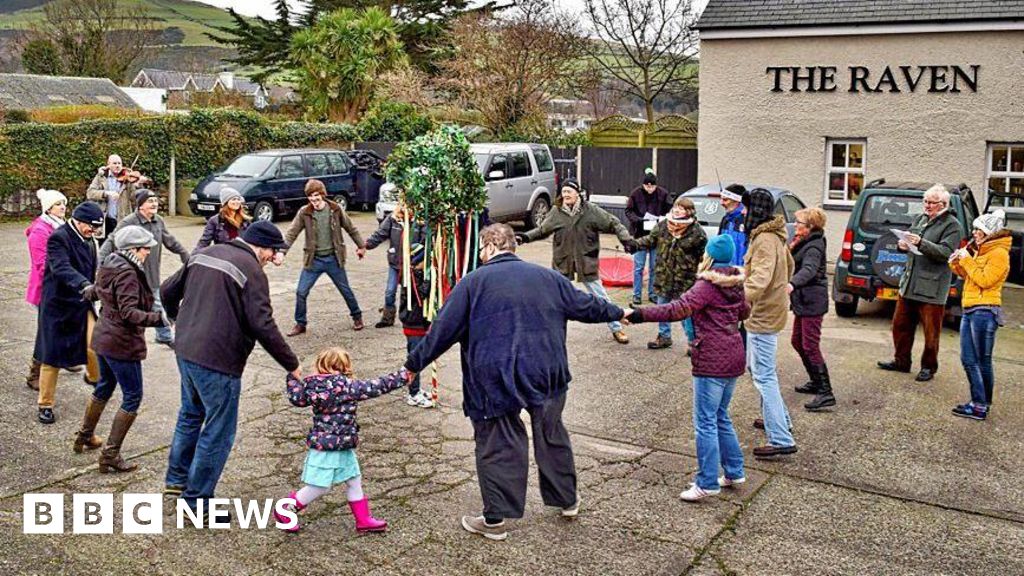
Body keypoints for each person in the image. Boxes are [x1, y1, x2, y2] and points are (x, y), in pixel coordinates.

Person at [405, 224, 627, 541]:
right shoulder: (548, 278)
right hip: (546, 371)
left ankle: (495, 518)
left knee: (498, 443)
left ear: (487, 247)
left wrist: (413, 365)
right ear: (512, 246)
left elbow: (443, 330)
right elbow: (585, 306)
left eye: (481, 250)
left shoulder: (472, 283)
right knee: (551, 435)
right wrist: (621, 311)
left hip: (494, 377)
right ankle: (567, 499)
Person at [160, 220, 301, 516]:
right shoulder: (252, 271)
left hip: (185, 349)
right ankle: (197, 501)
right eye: (271, 252)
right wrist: (292, 364)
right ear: (261, 246)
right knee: (219, 429)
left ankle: (177, 480)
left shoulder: (204, 253)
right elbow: (263, 324)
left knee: (190, 414)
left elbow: (167, 290)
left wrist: (177, 321)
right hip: (218, 360)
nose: (271, 258)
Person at [624, 235, 748, 501]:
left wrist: (638, 314)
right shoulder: (737, 282)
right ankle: (735, 471)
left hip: (712, 360)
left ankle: (706, 482)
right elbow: (744, 313)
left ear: (710, 256)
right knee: (721, 416)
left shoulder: (707, 284)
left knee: (705, 421)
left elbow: (677, 309)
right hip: (734, 355)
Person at [274, 347, 408, 533]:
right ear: (345, 366)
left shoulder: (311, 386)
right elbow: (377, 386)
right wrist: (403, 375)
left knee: (353, 479)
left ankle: (363, 520)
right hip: (333, 446)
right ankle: (285, 509)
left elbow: (296, 398)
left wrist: (292, 376)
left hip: (333, 445)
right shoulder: (347, 386)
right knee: (319, 486)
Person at [74, 226, 170, 472]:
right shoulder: (128, 272)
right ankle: (110, 455)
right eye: (145, 248)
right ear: (132, 249)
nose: (148, 252)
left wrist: (89, 292)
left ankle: (84, 435)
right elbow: (129, 313)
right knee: (133, 396)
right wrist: (159, 318)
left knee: (105, 386)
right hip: (120, 343)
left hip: (103, 338)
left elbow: (97, 291)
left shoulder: (110, 262)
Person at [518, 178, 635, 344]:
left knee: (600, 297)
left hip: (586, 262)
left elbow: (614, 223)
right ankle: (550, 331)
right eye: (563, 191)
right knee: (554, 298)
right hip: (562, 263)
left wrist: (626, 239)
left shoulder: (591, 211)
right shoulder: (556, 212)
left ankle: (616, 327)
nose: (565, 194)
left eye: (569, 191)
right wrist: (525, 237)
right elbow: (542, 230)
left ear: (577, 193)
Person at [877, 184, 962, 382]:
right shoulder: (920, 219)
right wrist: (902, 245)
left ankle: (929, 367)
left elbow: (945, 253)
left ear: (943, 204)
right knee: (900, 325)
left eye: (932, 202)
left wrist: (920, 243)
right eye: (925, 201)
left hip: (932, 287)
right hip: (909, 283)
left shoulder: (952, 225)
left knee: (931, 333)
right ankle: (901, 361)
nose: (928, 205)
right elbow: (910, 241)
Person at [33, 201, 105, 424]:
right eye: (90, 226)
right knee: (51, 357)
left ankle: (95, 380)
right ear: (79, 220)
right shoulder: (59, 238)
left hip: (82, 303)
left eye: (95, 228)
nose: (92, 231)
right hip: (58, 305)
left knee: (94, 344)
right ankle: (45, 405)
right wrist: (84, 285)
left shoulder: (90, 239)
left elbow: (94, 269)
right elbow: (61, 267)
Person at [743, 188, 797, 459]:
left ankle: (780, 437)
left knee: (763, 375)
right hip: (770, 311)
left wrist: (737, 300)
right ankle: (778, 418)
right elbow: (790, 265)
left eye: (746, 207)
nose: (743, 212)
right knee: (759, 370)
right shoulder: (775, 235)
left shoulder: (764, 238)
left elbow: (760, 277)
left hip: (763, 314)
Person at [100, 189, 189, 348]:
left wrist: (184, 255)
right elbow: (112, 240)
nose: (155, 204)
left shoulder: (158, 221)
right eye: (150, 201)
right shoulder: (129, 221)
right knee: (137, 305)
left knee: (156, 303)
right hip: (131, 274)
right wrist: (100, 262)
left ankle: (163, 336)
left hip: (152, 273)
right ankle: (161, 336)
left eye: (155, 201)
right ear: (140, 205)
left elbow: (170, 241)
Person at [948, 210, 1012, 420]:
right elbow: (969, 276)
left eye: (978, 229)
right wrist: (956, 262)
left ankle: (979, 405)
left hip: (984, 310)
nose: (974, 232)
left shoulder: (999, 253)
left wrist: (967, 260)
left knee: (978, 360)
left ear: (988, 232)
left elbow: (985, 280)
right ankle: (981, 402)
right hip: (971, 308)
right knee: (970, 359)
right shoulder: (982, 251)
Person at [284, 179, 367, 335]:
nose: (314, 200)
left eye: (316, 196)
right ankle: (300, 323)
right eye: (310, 197)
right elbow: (291, 233)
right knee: (301, 292)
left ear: (322, 194)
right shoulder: (304, 212)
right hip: (314, 260)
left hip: (333, 259)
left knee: (345, 290)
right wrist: (282, 251)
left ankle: (357, 316)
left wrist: (361, 246)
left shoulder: (335, 209)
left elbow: (351, 228)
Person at [630, 196, 707, 351]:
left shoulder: (697, 232)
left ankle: (693, 342)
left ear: (689, 212)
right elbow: (650, 240)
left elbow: (701, 256)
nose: (677, 210)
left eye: (682, 208)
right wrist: (633, 244)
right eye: (676, 207)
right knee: (662, 308)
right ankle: (664, 336)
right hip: (663, 276)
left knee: (686, 313)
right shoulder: (664, 225)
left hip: (684, 279)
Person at [787, 207, 834, 412]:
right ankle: (815, 381)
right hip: (803, 301)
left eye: (799, 223)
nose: (795, 225)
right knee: (797, 341)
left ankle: (826, 392)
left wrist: (792, 284)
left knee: (810, 345)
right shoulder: (803, 241)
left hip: (812, 300)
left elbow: (809, 270)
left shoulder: (813, 247)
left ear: (810, 226)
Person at [25, 188, 68, 391]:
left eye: (64, 204)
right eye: (58, 204)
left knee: (60, 327)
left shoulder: (60, 225)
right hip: (45, 290)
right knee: (46, 332)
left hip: (61, 286)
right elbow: (41, 265)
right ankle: (35, 374)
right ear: (48, 208)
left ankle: (64, 358)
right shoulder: (40, 231)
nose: (63, 207)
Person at [364, 202, 425, 329]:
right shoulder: (393, 218)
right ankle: (387, 318)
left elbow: (424, 243)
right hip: (395, 263)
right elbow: (380, 234)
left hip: (411, 266)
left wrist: (417, 261)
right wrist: (366, 245)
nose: (405, 207)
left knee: (407, 293)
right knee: (389, 292)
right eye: (403, 204)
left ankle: (408, 318)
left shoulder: (420, 222)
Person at [625, 169, 672, 306]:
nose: (649, 188)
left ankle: (652, 294)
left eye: (652, 186)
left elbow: (670, 210)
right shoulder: (635, 194)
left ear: (656, 185)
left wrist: (662, 220)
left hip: (656, 235)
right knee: (639, 267)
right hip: (640, 235)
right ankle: (636, 295)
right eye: (647, 186)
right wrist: (638, 220)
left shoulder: (663, 194)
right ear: (643, 185)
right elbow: (628, 211)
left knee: (654, 267)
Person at [398, 242, 435, 408]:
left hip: (420, 323)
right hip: (413, 324)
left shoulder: (417, 273)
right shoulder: (412, 276)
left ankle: (416, 388)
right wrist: (430, 282)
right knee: (415, 358)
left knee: (419, 356)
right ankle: (413, 393)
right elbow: (420, 295)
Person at [86, 154, 149, 237]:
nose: (117, 166)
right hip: (106, 220)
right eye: (114, 163)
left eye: (119, 163)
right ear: (108, 164)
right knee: (105, 246)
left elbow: (134, 198)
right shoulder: (101, 177)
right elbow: (90, 193)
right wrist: (106, 193)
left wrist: (138, 184)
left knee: (122, 246)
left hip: (122, 219)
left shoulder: (128, 178)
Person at [718, 184, 749, 266]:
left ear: (737, 201)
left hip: (743, 274)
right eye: (721, 199)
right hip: (726, 273)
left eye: (725, 200)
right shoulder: (725, 220)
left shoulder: (748, 221)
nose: (721, 203)